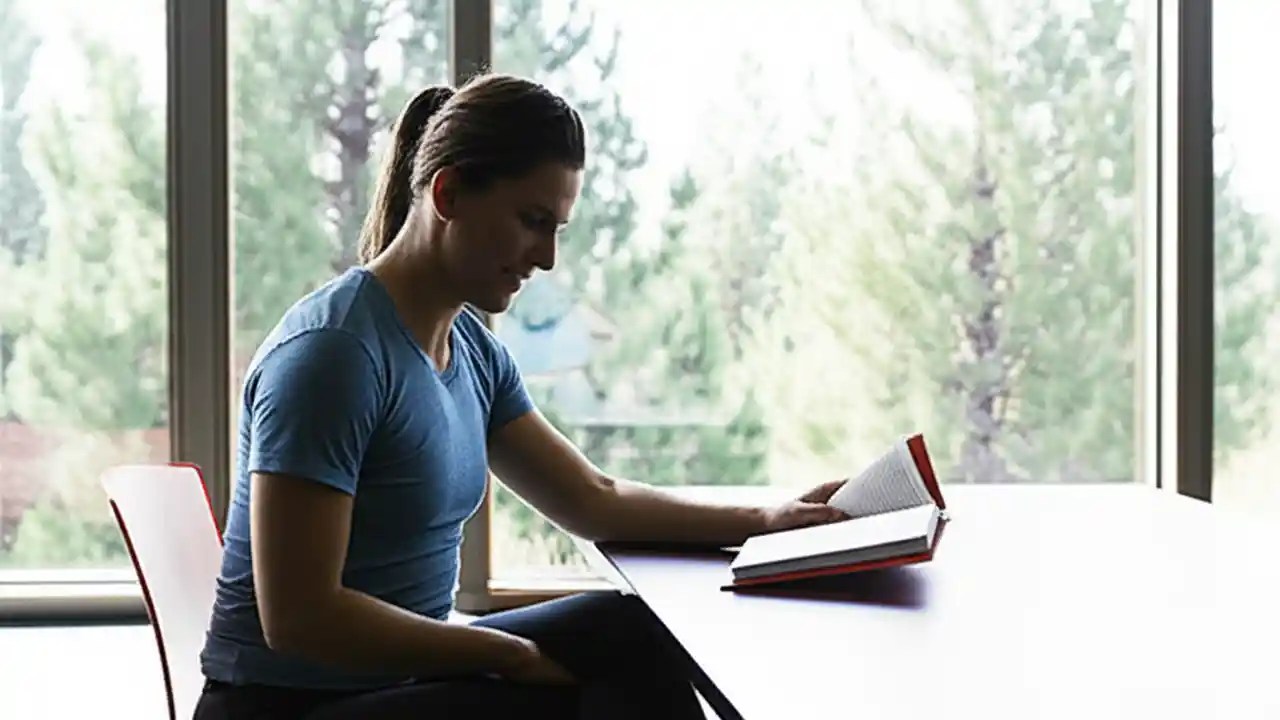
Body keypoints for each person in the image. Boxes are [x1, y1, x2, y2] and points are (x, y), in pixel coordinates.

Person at [193, 73, 849, 720]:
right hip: (287, 705)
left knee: (634, 633)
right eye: (533, 222)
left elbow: (594, 500)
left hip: (393, 681)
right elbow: (301, 618)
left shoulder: (471, 350)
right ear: (447, 193)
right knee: (585, 690)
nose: (547, 258)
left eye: (557, 228)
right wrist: (501, 654)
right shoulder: (334, 356)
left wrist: (765, 521)